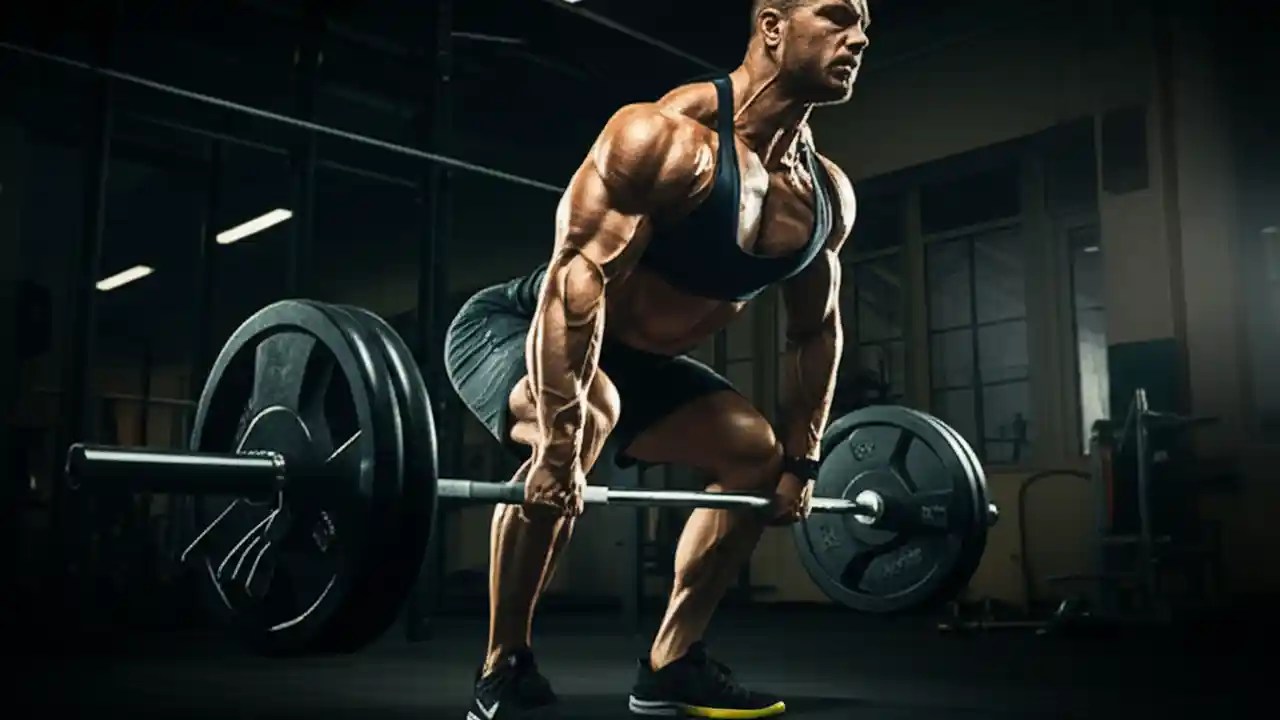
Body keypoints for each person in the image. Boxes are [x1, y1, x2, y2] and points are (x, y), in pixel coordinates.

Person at [445, 1, 869, 717]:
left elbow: (815, 333)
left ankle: (671, 664)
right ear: (771, 27)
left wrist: (803, 460)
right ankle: (503, 667)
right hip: (519, 326)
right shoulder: (667, 137)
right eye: (835, 17)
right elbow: (575, 281)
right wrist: (555, 444)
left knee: (754, 455)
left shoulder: (824, 194)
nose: (857, 37)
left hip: (636, 360)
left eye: (864, 24)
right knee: (588, 415)